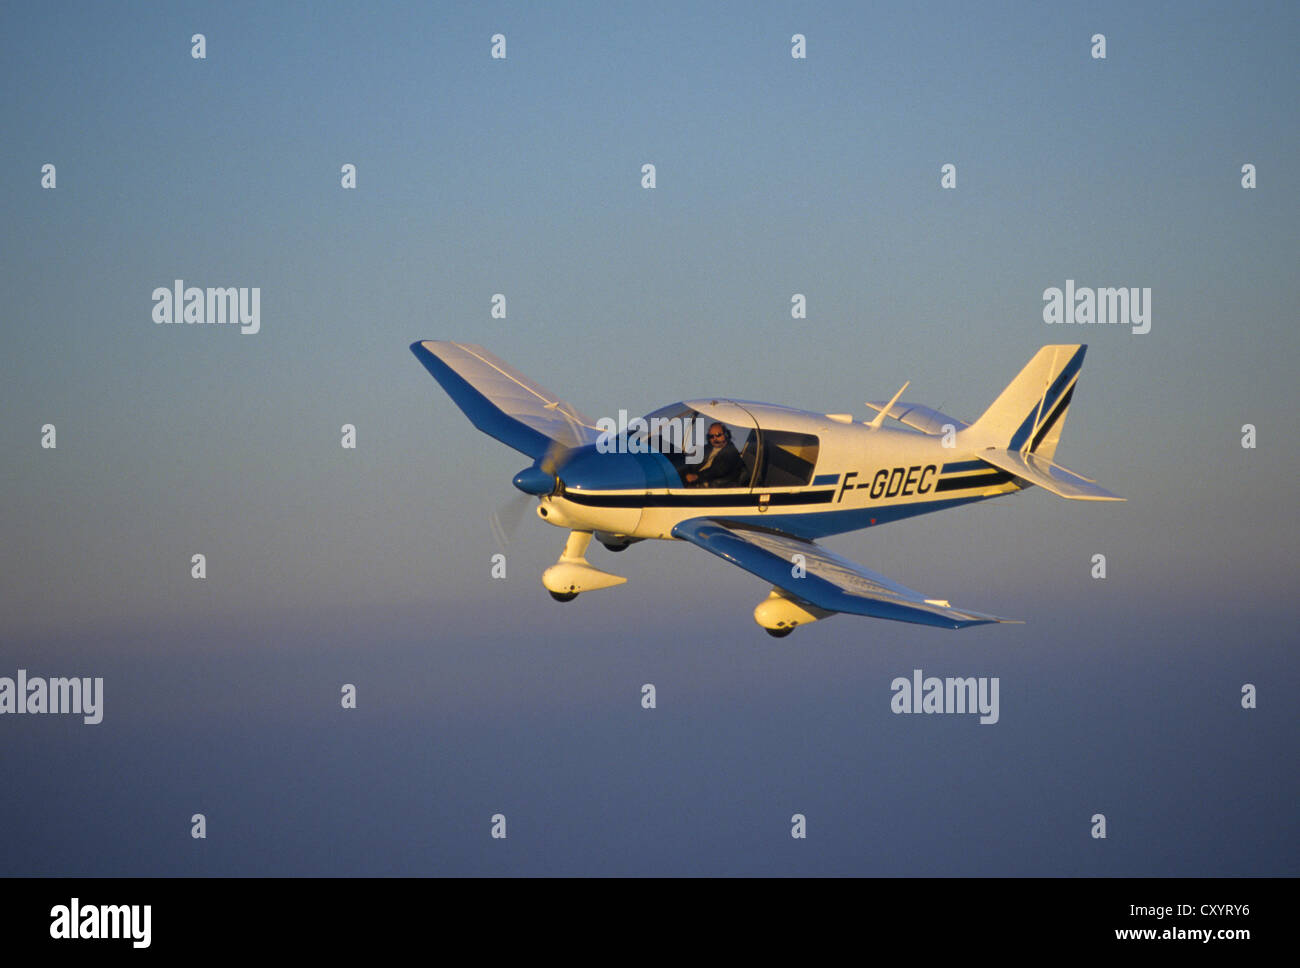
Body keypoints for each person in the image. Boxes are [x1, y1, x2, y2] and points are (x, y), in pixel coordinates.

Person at [684, 423, 745, 487]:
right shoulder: (706, 448)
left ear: (726, 435)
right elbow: (690, 465)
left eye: (718, 435)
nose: (714, 438)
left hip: (714, 486)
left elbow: (718, 470)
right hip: (696, 482)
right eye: (711, 436)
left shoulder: (731, 452)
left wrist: (697, 476)